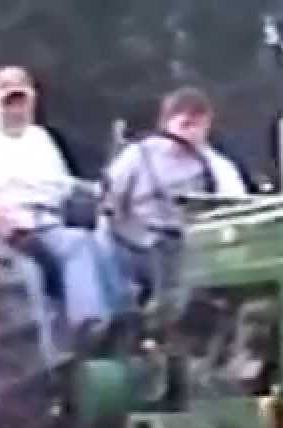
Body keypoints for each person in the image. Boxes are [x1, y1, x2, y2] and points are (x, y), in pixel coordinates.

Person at [0, 65, 113, 363]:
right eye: (7, 98)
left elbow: (65, 186)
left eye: (20, 98)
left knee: (84, 245)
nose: (15, 106)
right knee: (27, 273)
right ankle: (46, 359)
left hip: (45, 225)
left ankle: (90, 328)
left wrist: (104, 191)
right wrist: (12, 233)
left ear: (32, 100)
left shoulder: (42, 141)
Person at [98, 86, 247, 313]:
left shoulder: (217, 167)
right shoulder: (138, 155)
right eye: (185, 125)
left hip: (191, 246)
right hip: (135, 248)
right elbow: (109, 201)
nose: (191, 133)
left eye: (198, 126)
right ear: (166, 123)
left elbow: (237, 206)